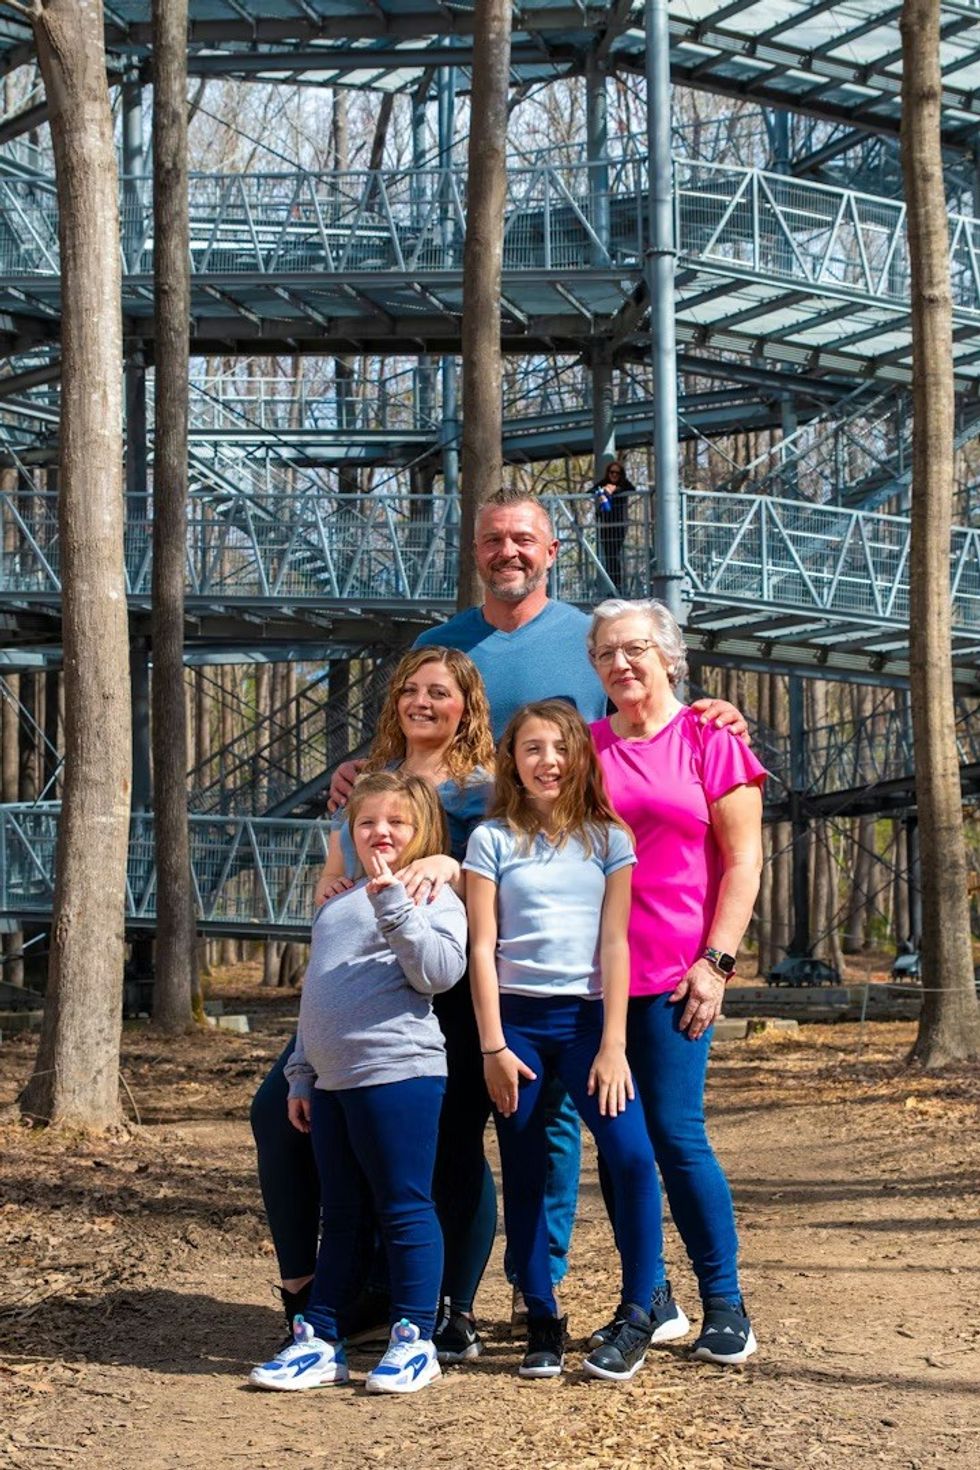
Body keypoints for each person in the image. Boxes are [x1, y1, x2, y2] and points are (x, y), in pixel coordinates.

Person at [254, 489, 747, 1340]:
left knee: (540, 1126)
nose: (507, 551)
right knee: (320, 1113)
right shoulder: (441, 644)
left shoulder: (591, 647)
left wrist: (707, 712)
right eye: (492, 539)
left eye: (524, 538)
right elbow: (402, 756)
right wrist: (355, 775)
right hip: (404, 955)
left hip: (533, 942)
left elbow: (638, 729)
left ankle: (535, 1291)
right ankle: (337, 1289)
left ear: (553, 550)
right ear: (474, 551)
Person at [252, 645, 497, 1364]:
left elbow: (501, 860)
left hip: (443, 977)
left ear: (468, 705)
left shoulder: (487, 785)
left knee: (447, 1145)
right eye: (410, 690)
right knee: (280, 1112)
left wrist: (448, 862)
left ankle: (448, 1306)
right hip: (360, 990)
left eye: (440, 692)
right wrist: (332, 882)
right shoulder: (365, 779)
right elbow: (339, 867)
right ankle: (315, 1292)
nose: (423, 702)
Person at [586, 597, 766, 1365]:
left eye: (634, 650)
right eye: (606, 655)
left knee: (676, 1134)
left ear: (668, 656)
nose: (621, 665)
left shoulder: (709, 738)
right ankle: (650, 1300)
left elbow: (746, 860)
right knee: (622, 1147)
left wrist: (717, 960)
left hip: (676, 975)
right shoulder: (585, 745)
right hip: (589, 978)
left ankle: (727, 1303)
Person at [248, 772, 468, 1396]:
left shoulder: (430, 894)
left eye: (397, 822)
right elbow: (317, 993)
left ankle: (415, 1338)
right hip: (330, 1081)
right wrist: (298, 1072)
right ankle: (319, 1340)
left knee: (403, 1207)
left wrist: (394, 902)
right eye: (369, 821)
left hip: (400, 1072)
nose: (381, 832)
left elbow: (439, 973)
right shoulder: (337, 903)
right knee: (340, 1214)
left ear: (420, 831)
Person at [465, 700, 662, 1382]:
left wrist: (612, 1044)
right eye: (531, 749)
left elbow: (615, 943)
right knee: (525, 1167)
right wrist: (492, 1045)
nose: (547, 760)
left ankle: (638, 1309)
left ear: (580, 756)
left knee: (631, 1156)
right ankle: (542, 1315)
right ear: (512, 762)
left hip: (586, 1025)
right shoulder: (490, 840)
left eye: (559, 748)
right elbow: (482, 945)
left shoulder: (609, 838)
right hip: (515, 1025)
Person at [591, 460, 636, 593]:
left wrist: (615, 490)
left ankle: (617, 586)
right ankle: (611, 585)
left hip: (619, 524)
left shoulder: (624, 484)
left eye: (617, 473)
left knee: (614, 554)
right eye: (612, 472)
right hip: (605, 525)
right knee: (608, 555)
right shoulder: (604, 483)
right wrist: (603, 491)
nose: (614, 475)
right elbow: (591, 490)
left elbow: (632, 489)